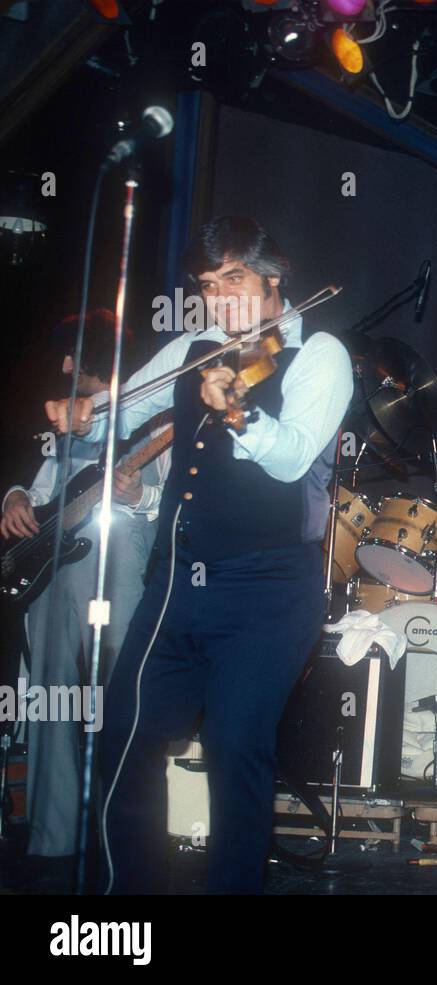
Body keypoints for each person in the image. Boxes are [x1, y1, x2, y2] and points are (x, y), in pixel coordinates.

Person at [44, 217, 353, 893]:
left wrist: (242, 415)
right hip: (179, 581)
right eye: (209, 285)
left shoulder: (320, 353)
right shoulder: (197, 347)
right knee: (124, 738)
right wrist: (86, 408)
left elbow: (293, 456)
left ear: (274, 280)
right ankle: (121, 910)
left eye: (234, 279)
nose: (220, 299)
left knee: (235, 751)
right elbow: (127, 407)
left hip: (267, 593)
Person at [1, 310, 168, 868]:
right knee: (50, 691)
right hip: (54, 564)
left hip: (121, 556)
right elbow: (43, 481)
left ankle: (124, 838)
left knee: (123, 690)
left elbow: (172, 506)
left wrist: (139, 493)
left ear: (98, 356)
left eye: (74, 355)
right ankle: (52, 837)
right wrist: (15, 497)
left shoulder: (152, 404)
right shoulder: (65, 416)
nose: (65, 367)